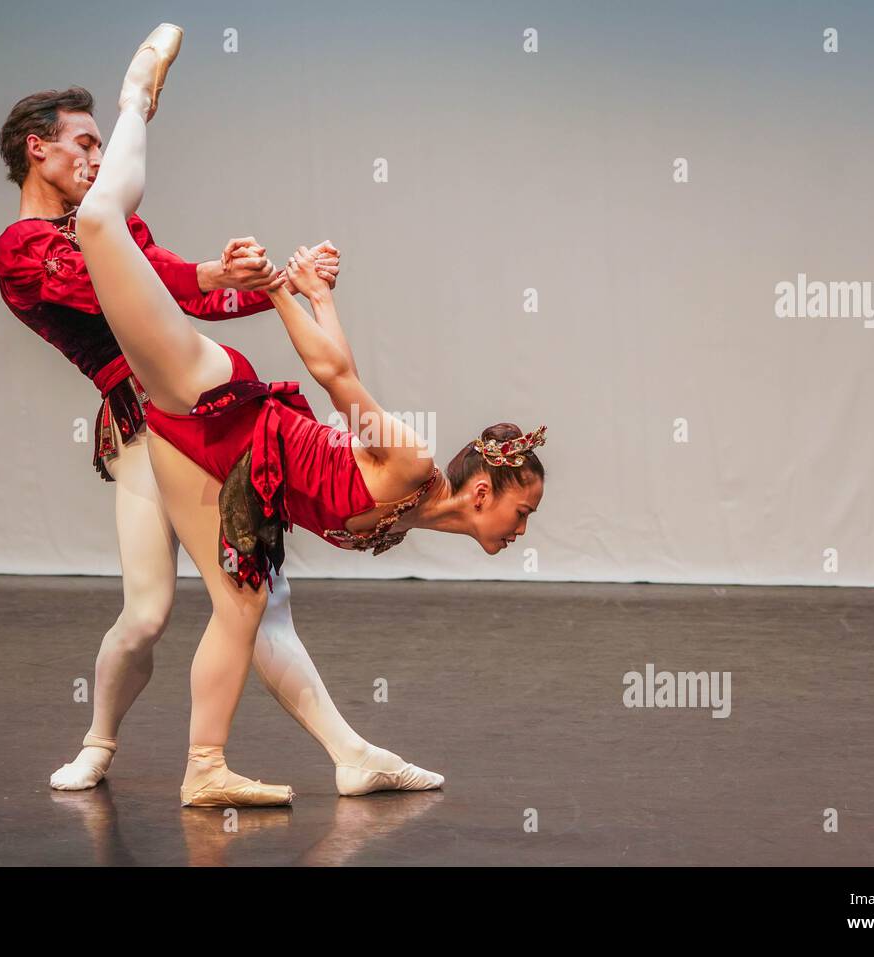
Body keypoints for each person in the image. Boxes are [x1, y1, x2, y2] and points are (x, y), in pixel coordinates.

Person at [74, 24, 546, 806]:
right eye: (523, 512)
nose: (521, 531)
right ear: (486, 488)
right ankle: (134, 97)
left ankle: (245, 765)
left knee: (248, 607)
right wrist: (274, 291)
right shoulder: (410, 461)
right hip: (215, 401)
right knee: (98, 224)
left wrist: (318, 292)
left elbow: (341, 366)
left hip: (210, 459)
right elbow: (336, 376)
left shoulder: (417, 509)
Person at [0, 83, 443, 802]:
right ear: (34, 148)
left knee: (256, 593)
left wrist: (265, 285)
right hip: (143, 430)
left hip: (197, 420)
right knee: (148, 614)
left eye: (103, 143)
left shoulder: (115, 230)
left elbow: (187, 299)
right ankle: (99, 742)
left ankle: (348, 752)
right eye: (83, 142)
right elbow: (122, 289)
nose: (96, 156)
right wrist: (208, 275)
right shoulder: (24, 249)